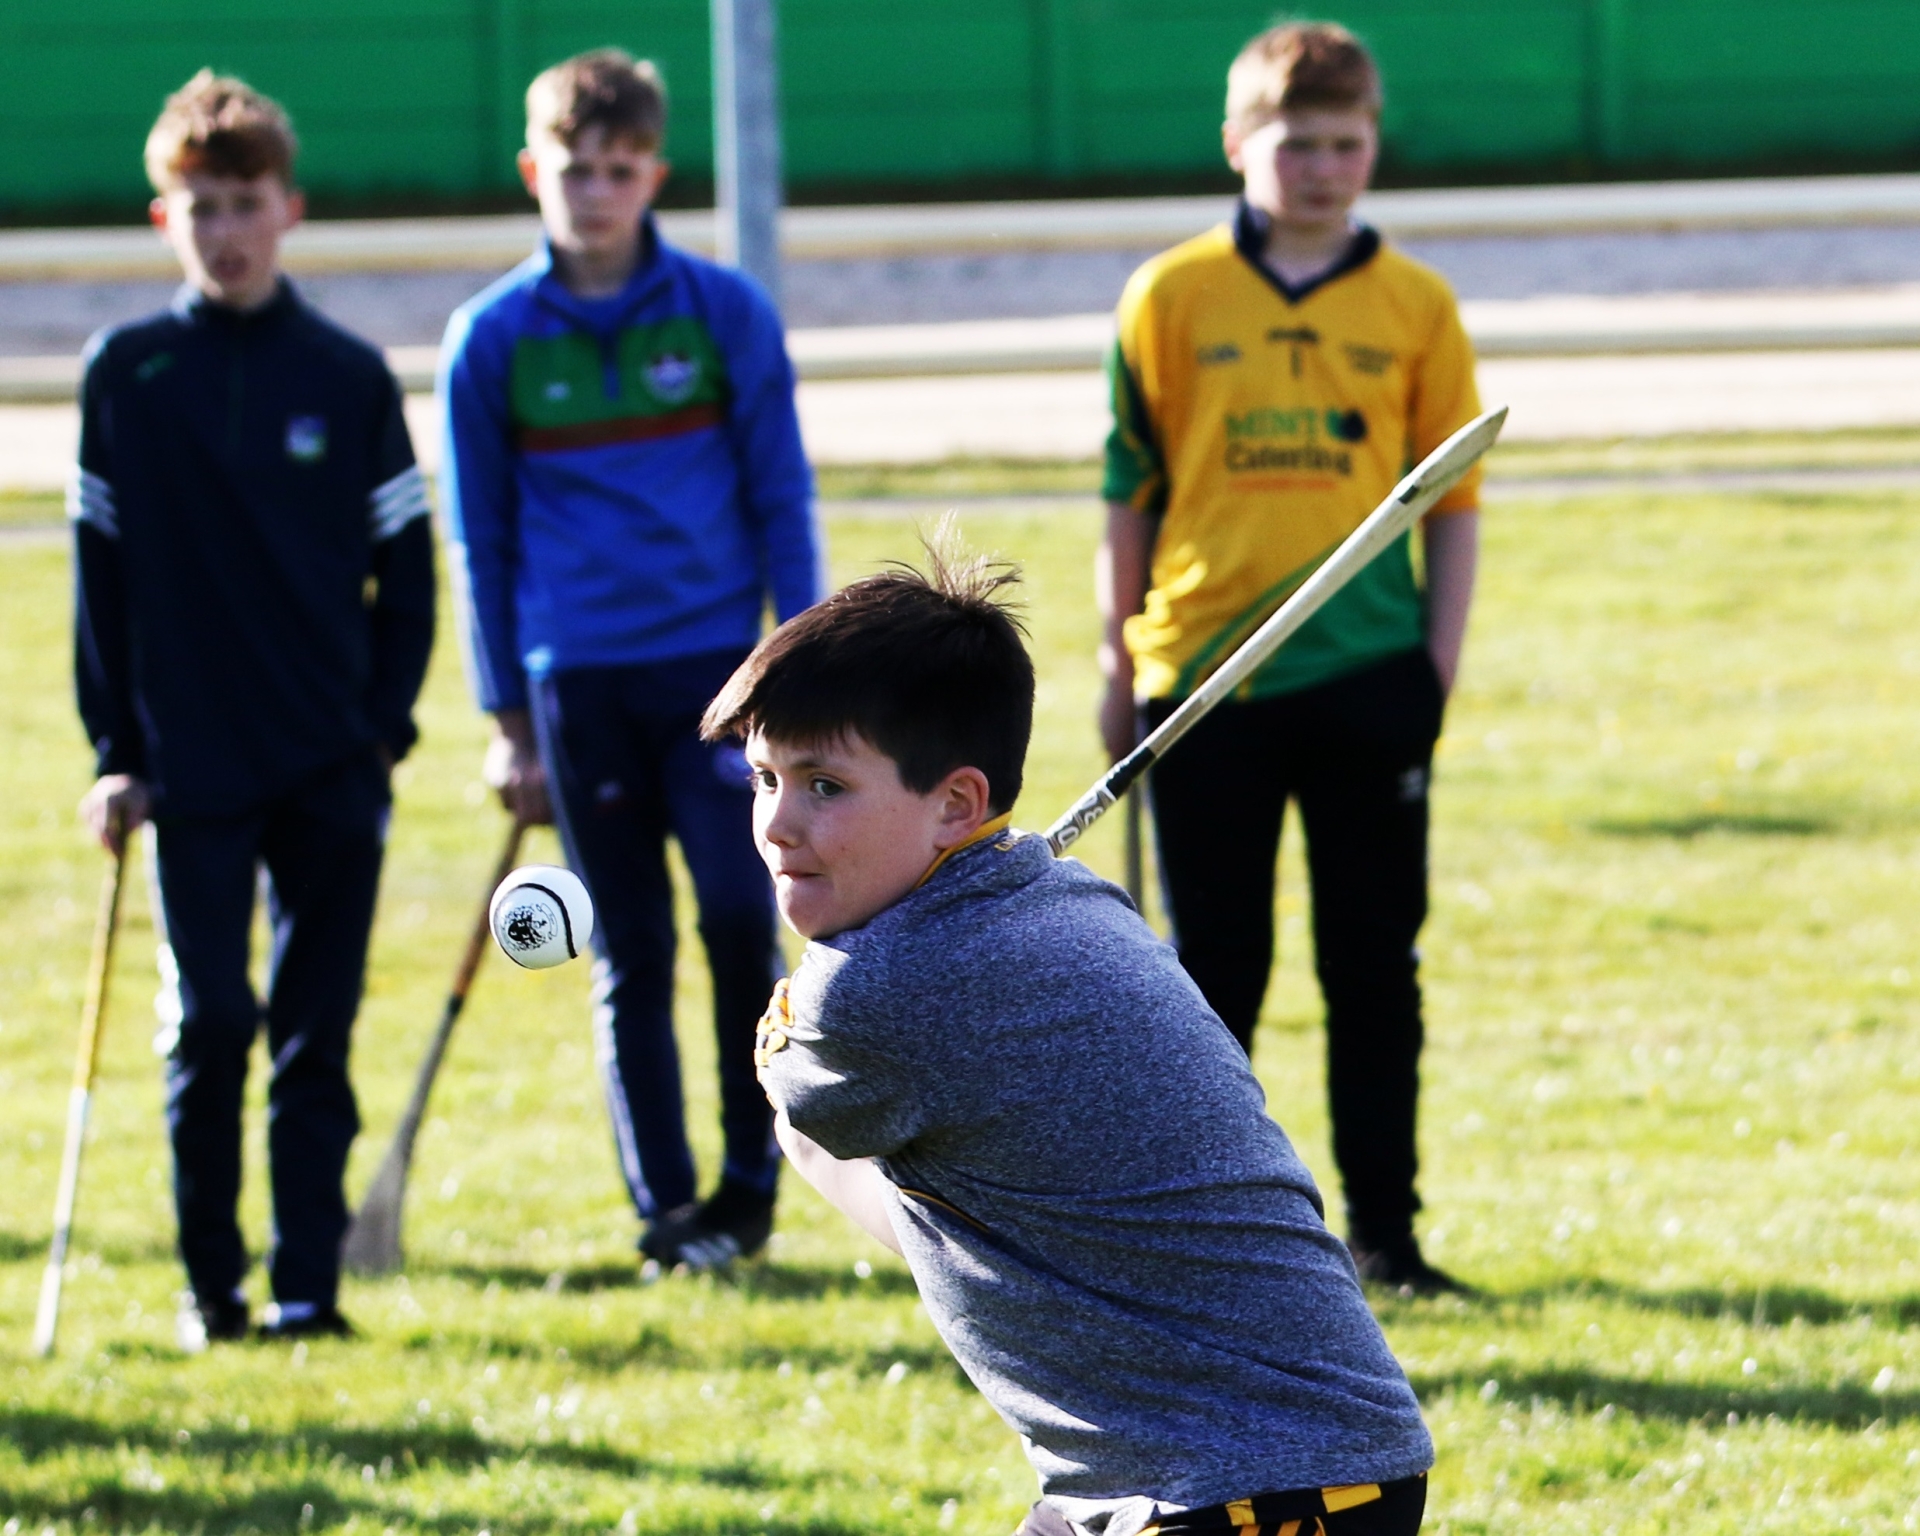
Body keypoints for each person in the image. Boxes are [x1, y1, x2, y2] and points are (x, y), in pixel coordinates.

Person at [701, 550, 1434, 1536]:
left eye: (825, 785)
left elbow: (807, 1109)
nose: (778, 824)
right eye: (763, 778)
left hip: (1256, 1483)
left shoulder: (882, 987)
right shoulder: (1064, 895)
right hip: (1194, 1472)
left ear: (957, 803)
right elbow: (936, 1227)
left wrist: (796, 1029)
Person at [1097, 22, 1481, 1294]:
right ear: (1237, 144)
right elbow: (1130, 486)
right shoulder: (1170, 294)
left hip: (1369, 683)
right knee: (1213, 980)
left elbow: (1453, 501)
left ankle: (1388, 1239)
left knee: (1375, 966)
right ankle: (1221, 1246)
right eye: (1295, 143)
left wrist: (1436, 665)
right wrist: (1120, 652)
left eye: (1346, 144)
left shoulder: (1415, 303)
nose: (1322, 168)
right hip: (1207, 682)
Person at [71, 71, 435, 1346]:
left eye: (247, 204)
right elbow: (97, 586)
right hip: (191, 769)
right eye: (200, 205)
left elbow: (410, 573)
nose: (225, 229)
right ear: (166, 216)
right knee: (212, 1023)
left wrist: (380, 729)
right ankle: (210, 1288)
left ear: (291, 209)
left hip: (330, 761)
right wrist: (118, 753)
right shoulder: (126, 373)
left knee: (311, 1041)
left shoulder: (343, 375)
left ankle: (306, 1289)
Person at [440, 49, 820, 1270]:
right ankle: (665, 1212)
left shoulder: (723, 313)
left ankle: (749, 1186)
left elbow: (781, 499)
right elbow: (478, 538)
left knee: (732, 921)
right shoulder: (488, 337)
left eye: (618, 169)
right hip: (575, 683)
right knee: (628, 942)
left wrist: (804, 668)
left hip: (718, 674)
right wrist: (505, 714)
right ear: (531, 172)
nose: (595, 191)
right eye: (571, 169)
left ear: (654, 172)